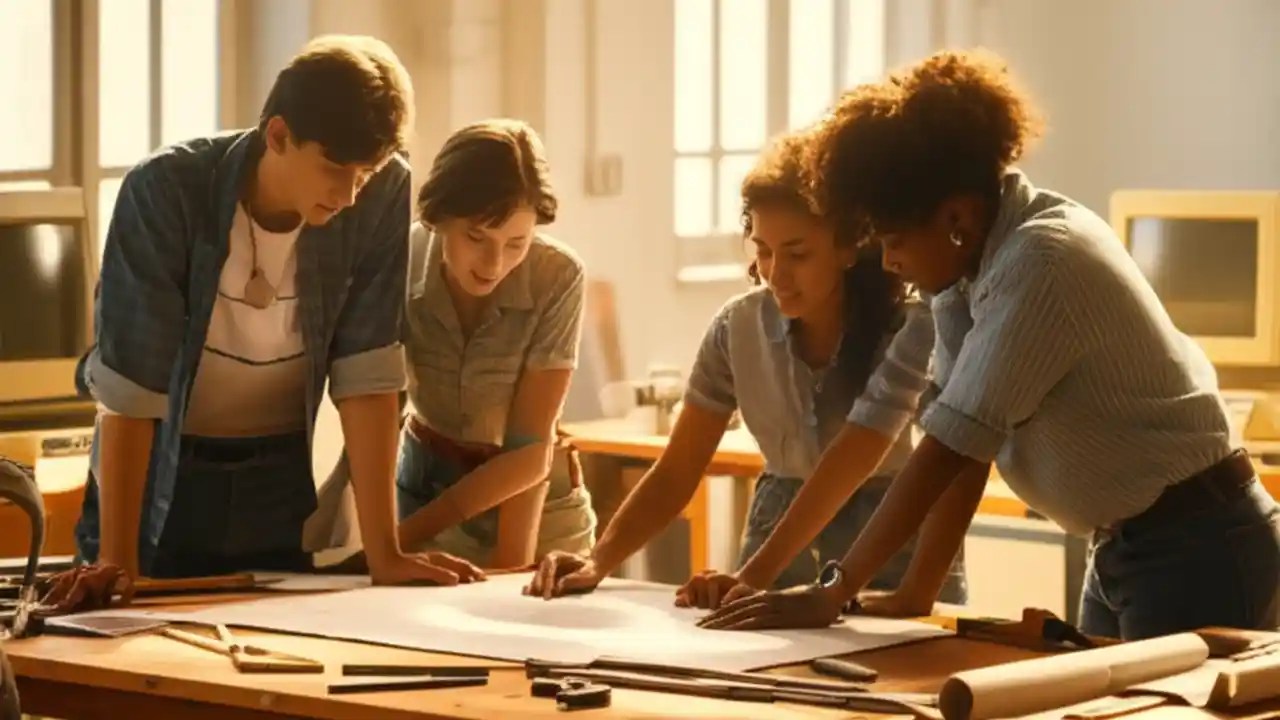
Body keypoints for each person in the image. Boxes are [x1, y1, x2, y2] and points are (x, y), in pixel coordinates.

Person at [699, 49, 1280, 640]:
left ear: (956, 217)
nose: (889, 261)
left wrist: (834, 588)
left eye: (895, 241)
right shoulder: (965, 273)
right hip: (1123, 546)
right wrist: (916, 592)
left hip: (1197, 546)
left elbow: (948, 447)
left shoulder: (1040, 260)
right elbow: (966, 443)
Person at [67, 35, 483, 589]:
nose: (350, 194)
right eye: (335, 168)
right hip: (163, 470)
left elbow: (368, 373)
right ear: (279, 135)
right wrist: (116, 562)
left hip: (277, 474)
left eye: (365, 174)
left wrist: (386, 554)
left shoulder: (381, 191)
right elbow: (131, 388)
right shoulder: (166, 189)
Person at [525, 129, 967, 605]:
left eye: (797, 254)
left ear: (848, 247)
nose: (777, 273)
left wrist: (751, 577)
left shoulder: (910, 328)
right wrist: (599, 559)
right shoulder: (738, 327)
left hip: (888, 540)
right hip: (775, 540)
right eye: (763, 250)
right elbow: (678, 470)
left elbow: (860, 455)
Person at [393, 119, 597, 569]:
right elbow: (375, 399)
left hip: (538, 512)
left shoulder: (558, 276)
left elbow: (528, 450)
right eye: (476, 237)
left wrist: (511, 571)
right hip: (424, 492)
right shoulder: (401, 257)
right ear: (439, 217)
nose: (493, 263)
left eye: (516, 243)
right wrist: (386, 545)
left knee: (521, 611)